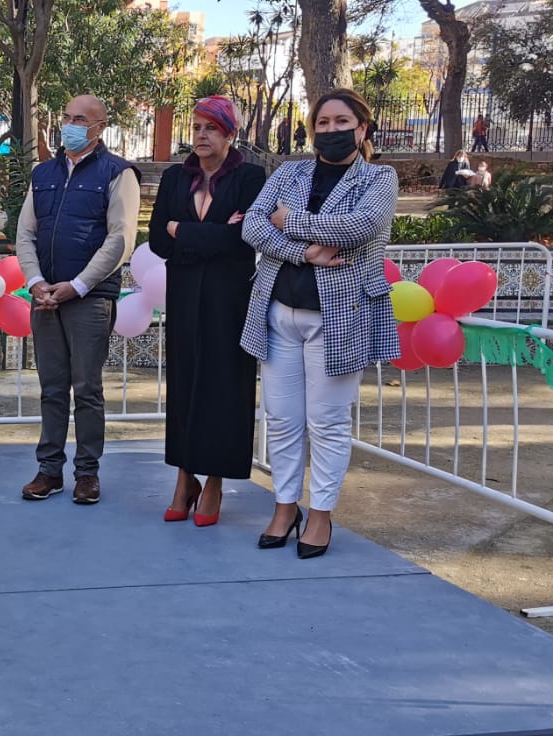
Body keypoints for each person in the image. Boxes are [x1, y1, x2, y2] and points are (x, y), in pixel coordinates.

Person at [241, 87, 400, 560]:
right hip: (278, 313)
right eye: (322, 123)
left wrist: (288, 220)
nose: (330, 130)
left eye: (341, 121)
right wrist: (304, 250)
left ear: (362, 127)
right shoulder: (289, 172)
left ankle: (322, 513)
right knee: (282, 420)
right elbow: (252, 224)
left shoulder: (379, 178)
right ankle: (285, 506)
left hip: (341, 316)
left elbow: (357, 228)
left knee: (327, 422)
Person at [14, 94, 140, 505]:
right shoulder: (43, 173)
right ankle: (48, 471)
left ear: (100, 127)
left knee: (86, 388)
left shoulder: (117, 173)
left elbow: (120, 238)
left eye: (79, 119)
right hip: (45, 297)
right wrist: (35, 282)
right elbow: (25, 234)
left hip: (89, 299)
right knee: (52, 388)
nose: (69, 124)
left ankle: (87, 473)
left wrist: (79, 285)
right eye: (66, 116)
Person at [147, 96, 267, 527]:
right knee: (184, 383)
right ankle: (184, 476)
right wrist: (213, 233)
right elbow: (159, 239)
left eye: (210, 128)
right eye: (196, 127)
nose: (200, 135)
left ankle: (214, 479)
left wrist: (186, 231)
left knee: (223, 384)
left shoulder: (250, 177)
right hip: (182, 296)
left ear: (229, 133)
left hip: (229, 298)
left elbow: (246, 239)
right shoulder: (176, 179)